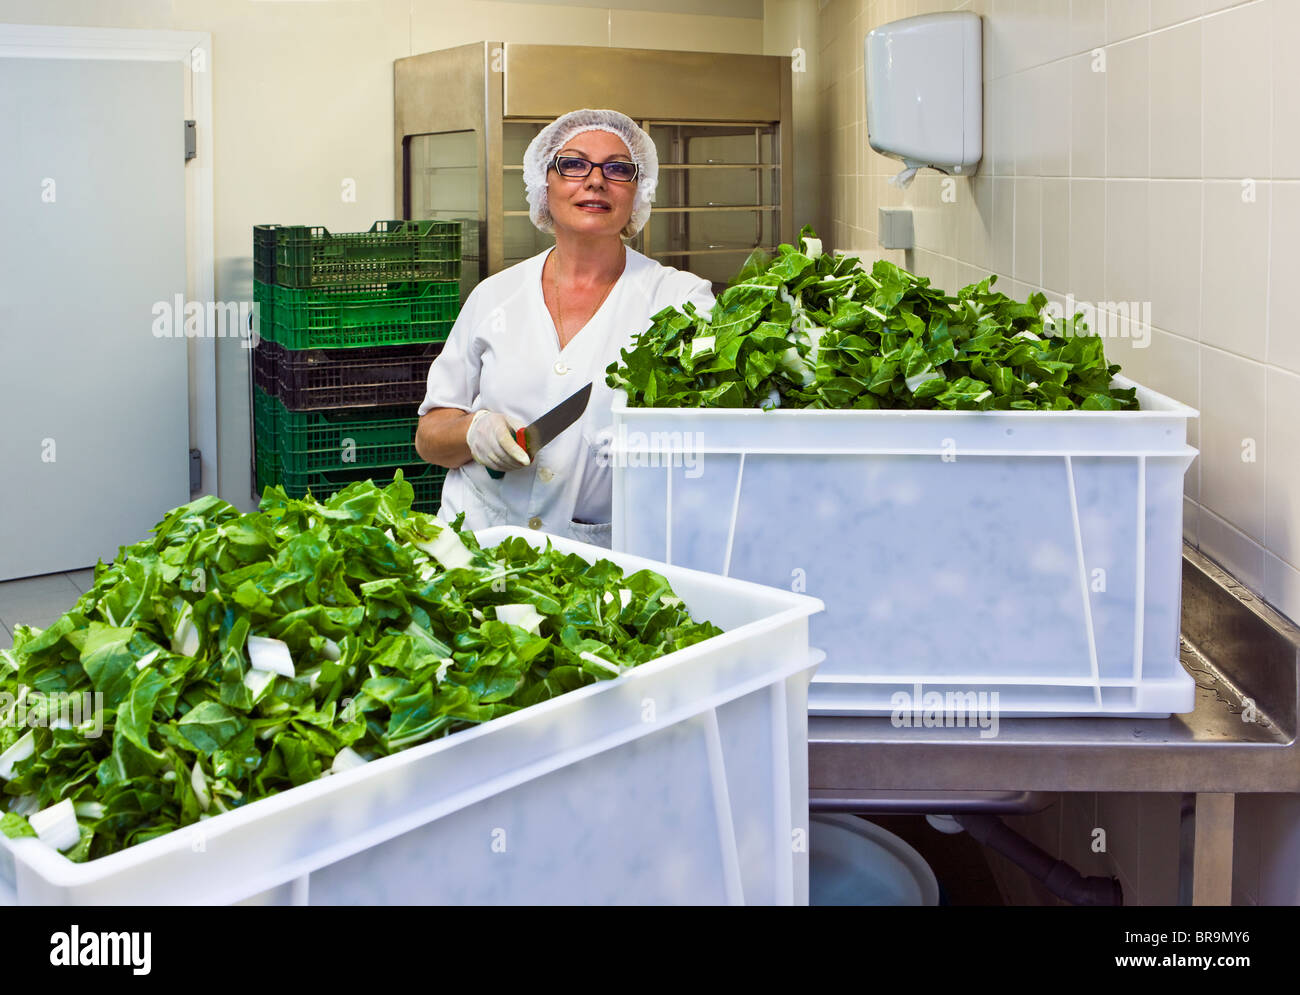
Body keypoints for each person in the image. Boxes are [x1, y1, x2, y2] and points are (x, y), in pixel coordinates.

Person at [414, 108, 715, 547]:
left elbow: (717, 441)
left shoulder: (681, 302)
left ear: (639, 190)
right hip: (477, 547)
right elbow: (429, 439)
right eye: (572, 164)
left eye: (618, 168)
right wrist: (473, 430)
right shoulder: (495, 296)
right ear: (544, 184)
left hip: (606, 562)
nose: (595, 180)